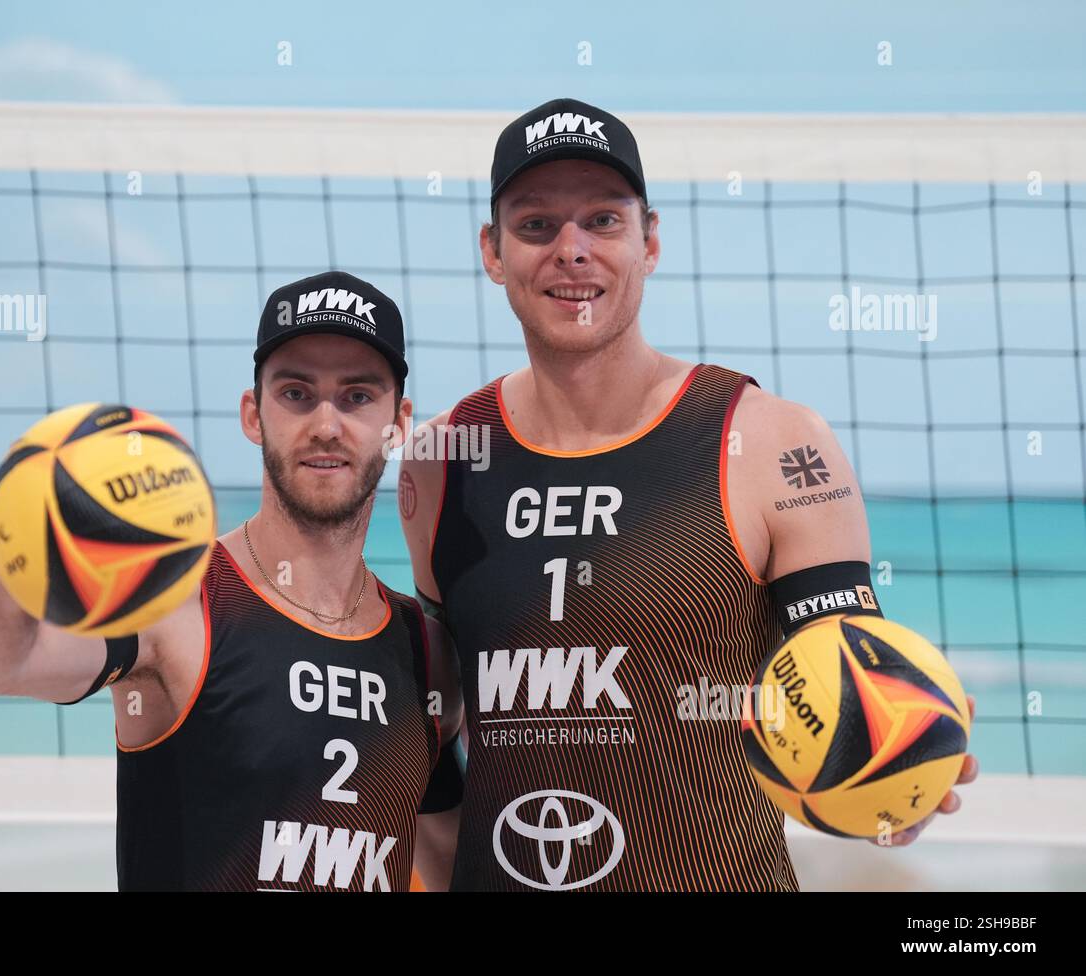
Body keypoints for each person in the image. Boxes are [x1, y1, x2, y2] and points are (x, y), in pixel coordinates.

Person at [398, 98, 977, 891]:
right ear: (492, 251)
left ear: (651, 240)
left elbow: (846, 687)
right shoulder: (440, 461)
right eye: (536, 226)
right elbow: (437, 737)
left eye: (603, 220)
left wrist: (896, 768)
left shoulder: (772, 442)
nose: (572, 252)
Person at [0, 271, 464, 892]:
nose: (326, 425)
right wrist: (29, 536)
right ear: (254, 414)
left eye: (357, 397)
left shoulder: (424, 651)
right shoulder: (178, 603)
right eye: (297, 394)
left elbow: (448, 859)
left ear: (398, 423)